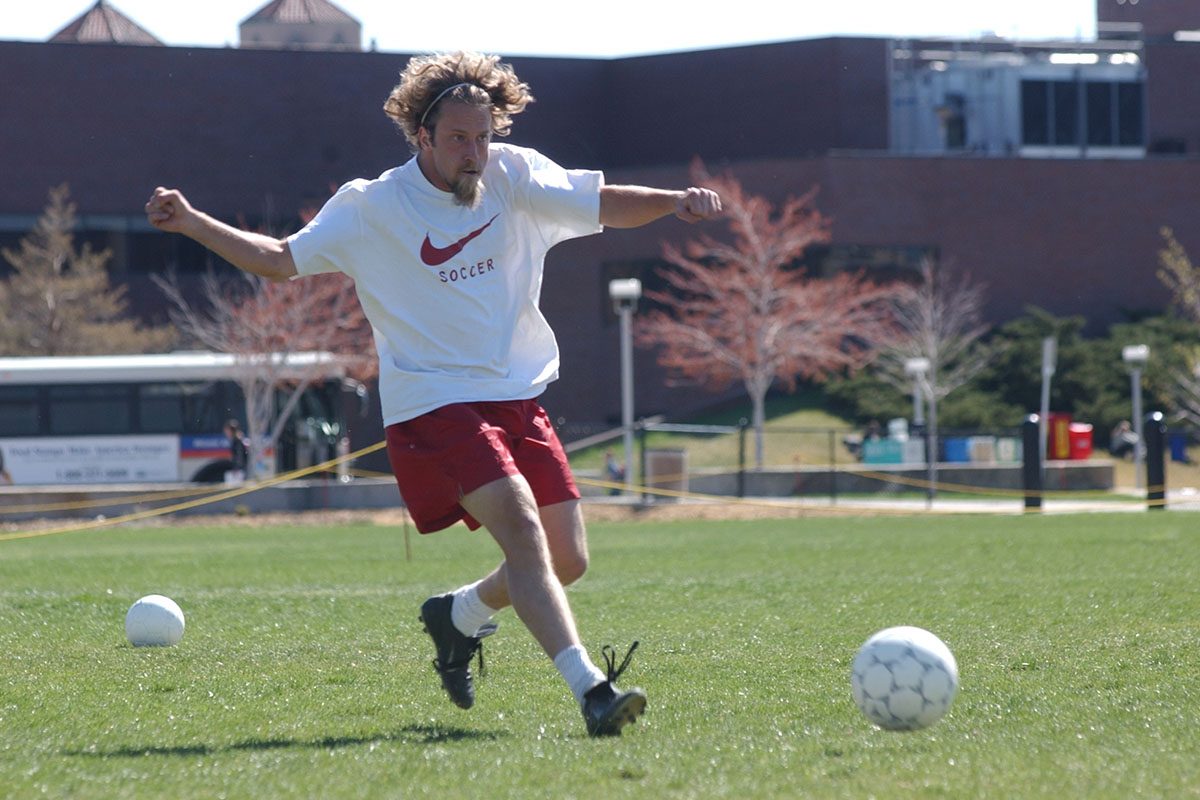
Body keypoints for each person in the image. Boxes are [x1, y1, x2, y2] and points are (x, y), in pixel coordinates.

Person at [144, 51, 722, 737]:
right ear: (422, 135)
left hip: (516, 395)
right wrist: (190, 221)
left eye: (483, 136)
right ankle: (591, 690)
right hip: (432, 403)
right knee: (523, 531)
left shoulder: (512, 174)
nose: (474, 152)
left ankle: (458, 616)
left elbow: (600, 203)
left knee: (568, 558)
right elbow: (277, 261)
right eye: (457, 139)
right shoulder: (372, 206)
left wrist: (672, 205)